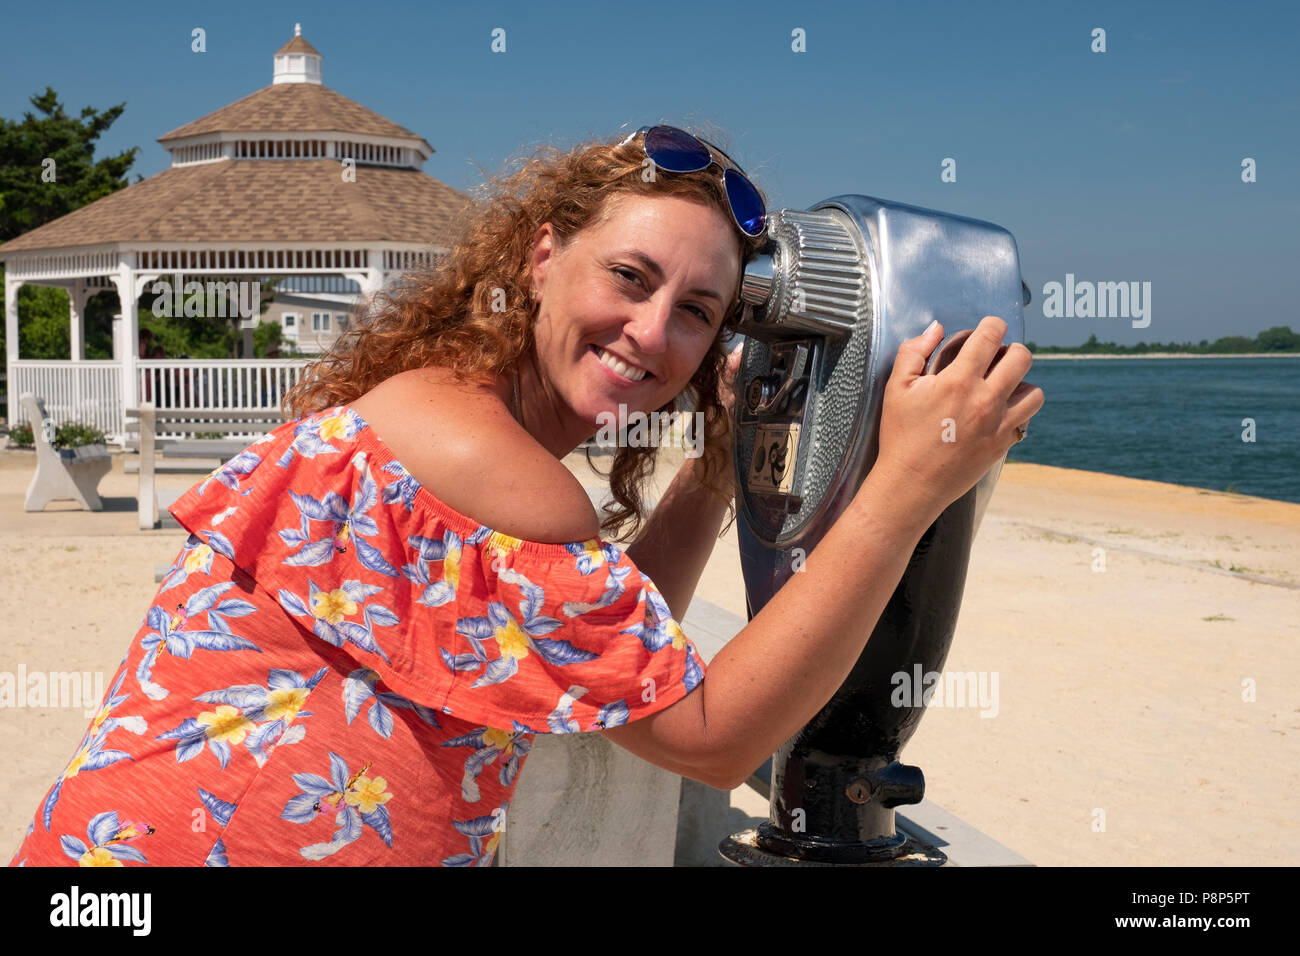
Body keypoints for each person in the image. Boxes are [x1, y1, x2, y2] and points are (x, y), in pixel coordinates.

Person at [7, 124, 1042, 867]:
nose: (651, 332)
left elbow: (606, 658)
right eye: (629, 278)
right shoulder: (492, 468)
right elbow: (712, 735)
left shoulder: (434, 411)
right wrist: (905, 488)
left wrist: (716, 465)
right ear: (542, 256)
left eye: (696, 311)